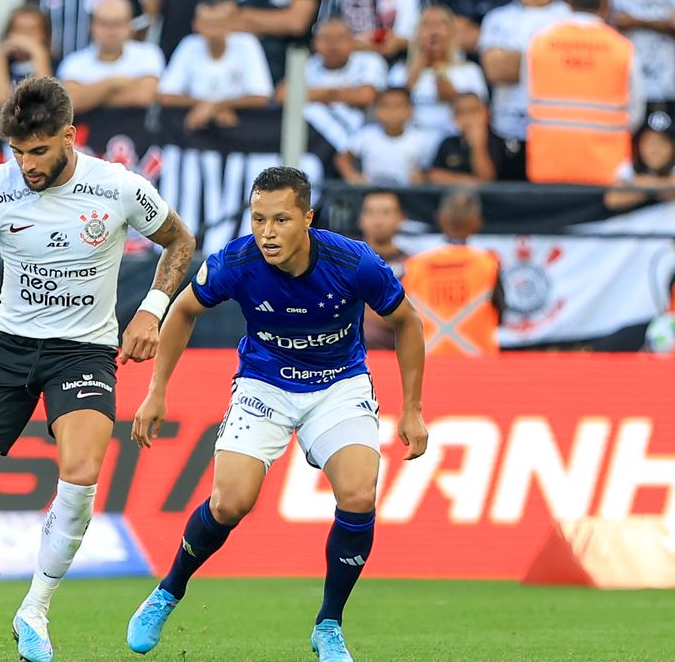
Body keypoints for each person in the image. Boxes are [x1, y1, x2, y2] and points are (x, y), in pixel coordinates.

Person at [0, 75, 195, 662]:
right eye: (17, 151)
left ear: (69, 136)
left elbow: (180, 241)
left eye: (38, 151)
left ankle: (34, 610)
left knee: (80, 478)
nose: (27, 164)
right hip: (8, 346)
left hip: (83, 352)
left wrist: (151, 311)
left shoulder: (117, 186)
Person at [125, 166, 427, 661]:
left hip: (338, 384)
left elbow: (407, 322)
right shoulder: (237, 261)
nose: (267, 233)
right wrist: (156, 392)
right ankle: (168, 591)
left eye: (281, 220)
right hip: (264, 384)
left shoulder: (353, 262)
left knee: (358, 494)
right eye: (258, 219)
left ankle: (328, 624)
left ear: (307, 218)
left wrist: (412, 409)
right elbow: (183, 311)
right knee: (229, 503)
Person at [525, 0, 645, 185]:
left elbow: (528, 97)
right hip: (607, 171)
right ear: (604, 4)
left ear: (568, 2)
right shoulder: (622, 47)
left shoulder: (541, 43)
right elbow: (635, 112)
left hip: (549, 166)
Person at [477, 0, 570, 182]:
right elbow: (495, 71)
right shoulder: (496, 19)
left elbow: (571, 73)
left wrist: (515, 58)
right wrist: (550, 58)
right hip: (508, 129)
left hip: (558, 129)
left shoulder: (570, 18)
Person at [401, 189, 503, 356]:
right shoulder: (488, 263)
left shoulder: (415, 265)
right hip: (479, 361)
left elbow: (401, 317)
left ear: (440, 218)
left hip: (428, 360)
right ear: (477, 222)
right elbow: (501, 312)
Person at [158, 0, 274, 131]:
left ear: (231, 23)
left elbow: (261, 97)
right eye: (207, 24)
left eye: (218, 23)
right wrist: (210, 107)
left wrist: (215, 107)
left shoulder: (247, 44)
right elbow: (165, 95)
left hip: (241, 127)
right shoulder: (189, 45)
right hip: (196, 127)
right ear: (196, 25)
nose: (213, 31)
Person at [388, 6, 487, 149]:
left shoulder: (470, 71)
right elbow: (389, 110)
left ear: (452, 33)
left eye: (441, 24)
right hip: (409, 147)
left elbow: (480, 115)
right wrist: (414, 74)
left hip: (453, 147)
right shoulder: (399, 72)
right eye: (426, 25)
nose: (434, 32)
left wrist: (453, 96)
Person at [57, 0, 165, 113]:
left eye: (117, 24)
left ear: (130, 26)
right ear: (91, 26)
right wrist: (115, 83)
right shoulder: (73, 62)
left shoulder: (148, 54)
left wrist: (89, 95)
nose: (110, 31)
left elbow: (144, 96)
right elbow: (71, 102)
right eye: (103, 23)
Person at [298, 17, 387, 151]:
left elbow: (366, 96)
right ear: (315, 43)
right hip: (313, 139)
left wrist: (314, 95)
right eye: (326, 39)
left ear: (352, 41)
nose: (333, 45)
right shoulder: (309, 64)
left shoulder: (369, 60)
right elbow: (283, 94)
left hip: (358, 140)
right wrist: (342, 93)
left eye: (340, 38)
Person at [335, 87, 434, 186]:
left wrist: (423, 177)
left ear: (410, 110)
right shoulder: (366, 134)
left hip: (408, 192)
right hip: (370, 190)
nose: (392, 112)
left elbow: (431, 170)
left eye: (398, 106)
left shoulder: (421, 139)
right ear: (376, 110)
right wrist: (351, 175)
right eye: (385, 105)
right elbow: (342, 158)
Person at [358, 190, 407, 350]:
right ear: (361, 219)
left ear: (400, 218)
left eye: (386, 212)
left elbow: (411, 317)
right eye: (371, 212)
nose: (378, 220)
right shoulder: (343, 263)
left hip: (394, 354)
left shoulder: (413, 266)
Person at [427, 92, 505, 182]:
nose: (468, 117)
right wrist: (471, 182)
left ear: (486, 113)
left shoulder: (499, 143)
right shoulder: (448, 143)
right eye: (461, 112)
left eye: (473, 110)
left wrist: (478, 146)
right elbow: (434, 175)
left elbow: (488, 179)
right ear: (454, 117)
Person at [0, 5, 53, 104]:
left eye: (31, 31)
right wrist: (1, 57)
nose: (23, 37)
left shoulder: (53, 64)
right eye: (19, 30)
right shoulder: (3, 65)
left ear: (44, 35)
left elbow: (43, 98)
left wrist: (39, 54)